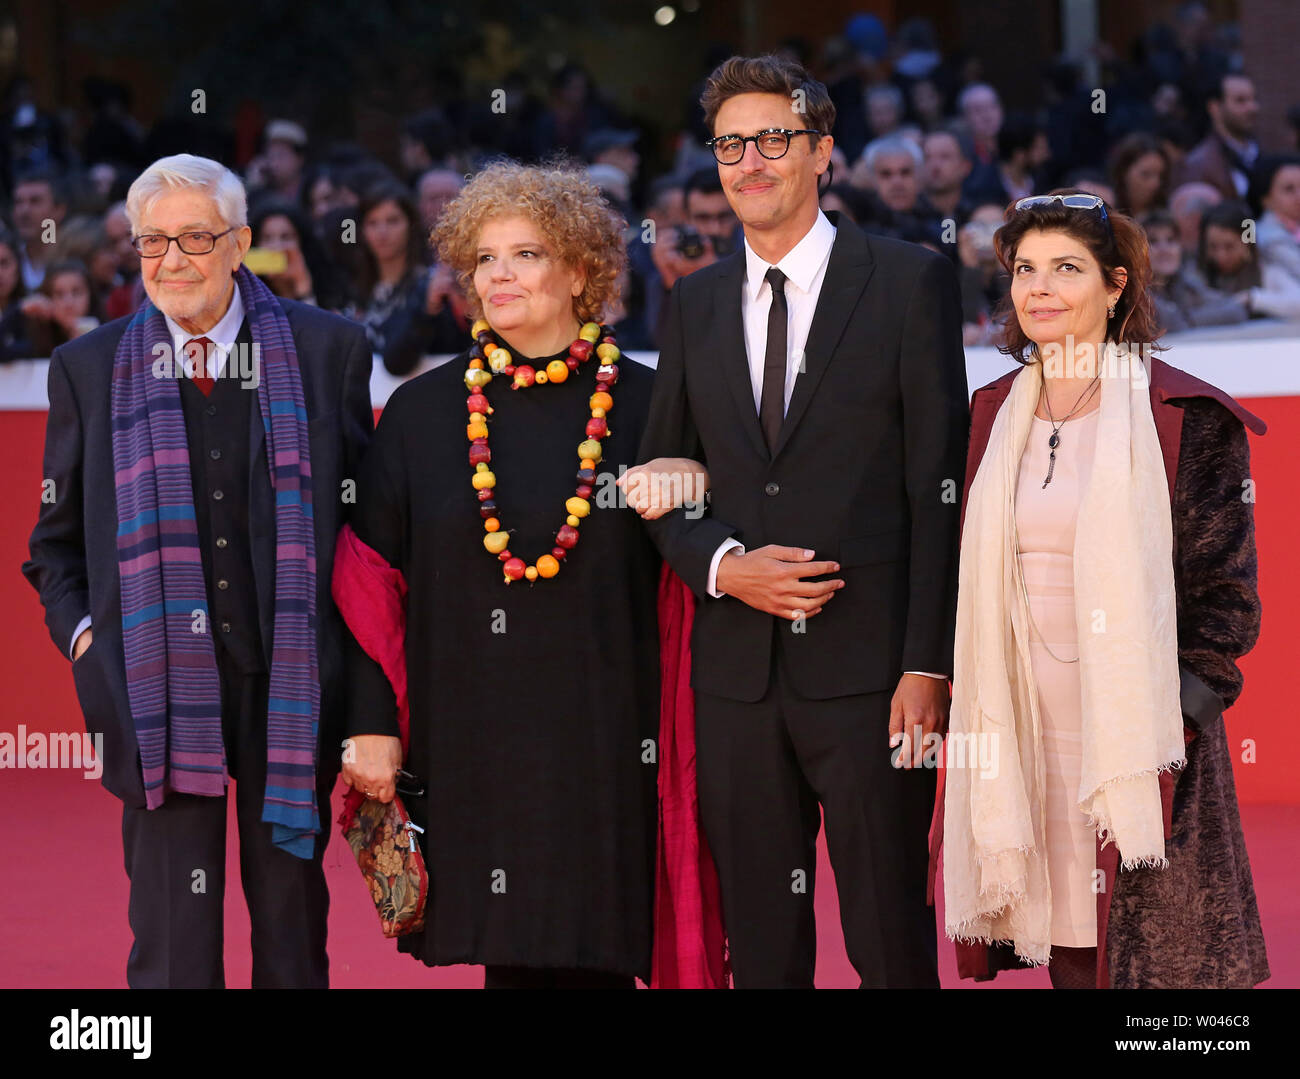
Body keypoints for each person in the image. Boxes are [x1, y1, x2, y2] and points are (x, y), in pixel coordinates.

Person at [630, 53, 968, 988]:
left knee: (889, 935)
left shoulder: (908, 282)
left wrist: (927, 663)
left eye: (773, 138)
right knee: (763, 945)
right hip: (736, 680)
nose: (750, 160)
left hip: (876, 680)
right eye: (730, 143)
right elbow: (663, 480)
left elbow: (937, 488)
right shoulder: (693, 298)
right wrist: (722, 564)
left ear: (822, 151)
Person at [22, 153, 374, 988]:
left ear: (241, 243)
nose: (172, 260)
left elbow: (366, 538)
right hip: (152, 687)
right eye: (152, 242)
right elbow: (54, 545)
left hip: (288, 682)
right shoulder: (90, 366)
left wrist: (359, 692)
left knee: (292, 933)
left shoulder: (331, 352)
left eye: (194, 237)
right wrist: (89, 646)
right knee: (173, 943)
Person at [337, 160, 680, 988]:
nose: (498, 274)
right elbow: (366, 585)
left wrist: (699, 486)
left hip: (613, 740)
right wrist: (372, 723)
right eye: (484, 258)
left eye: (525, 254)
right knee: (511, 952)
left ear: (581, 271)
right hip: (472, 741)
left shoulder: (655, 404)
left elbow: (700, 567)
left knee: (603, 945)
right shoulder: (420, 414)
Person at [938, 191, 1269, 989]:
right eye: (1024, 269)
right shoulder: (991, 413)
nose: (1039, 288)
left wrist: (1177, 720)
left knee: (1153, 960)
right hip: (1020, 724)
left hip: (1136, 732)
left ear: (1117, 286)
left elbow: (1227, 599)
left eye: (1066, 268)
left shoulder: (1181, 416)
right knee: (1068, 942)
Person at [1142, 209, 1247, 332]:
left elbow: (1236, 310)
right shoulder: (1135, 293)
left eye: (1171, 241)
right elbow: (1170, 324)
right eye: (1153, 242)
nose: (1165, 250)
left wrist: (1186, 318)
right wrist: (1192, 318)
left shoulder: (1186, 286)